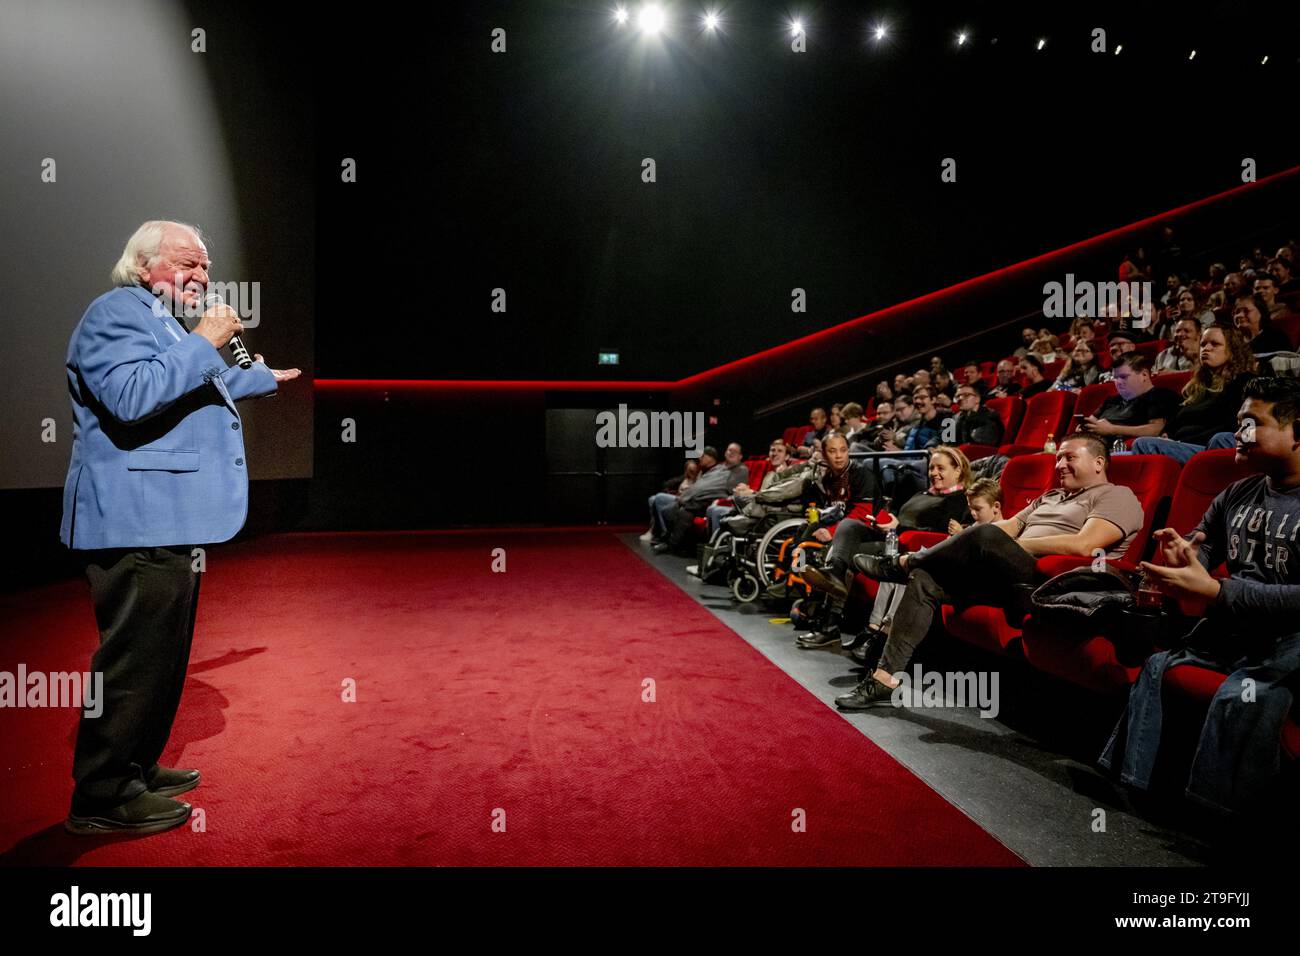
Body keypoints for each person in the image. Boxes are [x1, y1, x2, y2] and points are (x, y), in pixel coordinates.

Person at [60, 220, 300, 835]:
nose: (201, 276)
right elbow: (133, 396)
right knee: (134, 661)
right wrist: (204, 340)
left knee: (163, 658)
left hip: (170, 517)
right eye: (187, 264)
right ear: (144, 268)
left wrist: (260, 379)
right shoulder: (115, 313)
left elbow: (198, 387)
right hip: (134, 520)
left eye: (204, 266)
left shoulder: (165, 322)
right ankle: (101, 795)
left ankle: (135, 765)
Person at [1100, 377, 1300, 821]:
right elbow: (1204, 547)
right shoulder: (1240, 491)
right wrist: (1186, 554)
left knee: (1247, 696)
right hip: (1236, 625)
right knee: (1157, 667)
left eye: (1252, 423)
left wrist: (1217, 590)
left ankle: (1220, 816)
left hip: (1291, 639)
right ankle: (1137, 788)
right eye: (1238, 422)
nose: (1239, 434)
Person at [840, 433, 1144, 710]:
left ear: (1099, 462)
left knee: (982, 537)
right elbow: (1006, 527)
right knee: (926, 580)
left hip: (1051, 581)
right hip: (1007, 574)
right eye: (1058, 458)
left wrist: (1011, 542)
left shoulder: (1117, 496)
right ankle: (883, 681)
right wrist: (964, 540)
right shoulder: (1050, 497)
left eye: (1070, 457)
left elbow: (1084, 545)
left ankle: (903, 562)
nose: (1060, 465)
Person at [797, 446, 973, 648]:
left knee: (843, 553)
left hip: (909, 546)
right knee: (849, 526)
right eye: (931, 468)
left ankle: (828, 626)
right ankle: (834, 574)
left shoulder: (959, 499)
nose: (933, 473)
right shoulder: (923, 494)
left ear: (958, 470)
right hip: (892, 537)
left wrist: (899, 527)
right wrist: (884, 522)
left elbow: (938, 532)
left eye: (940, 468)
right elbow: (901, 516)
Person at [1130, 325, 1258, 465]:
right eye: (1203, 344)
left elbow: (1246, 426)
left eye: (1214, 344)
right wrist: (1168, 435)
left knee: (1220, 439)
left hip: (1218, 445)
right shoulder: (1196, 387)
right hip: (1188, 448)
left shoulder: (1245, 381)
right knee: (1142, 444)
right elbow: (1175, 422)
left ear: (1233, 350)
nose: (1206, 348)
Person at [656, 442, 746, 553]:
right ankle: (672, 541)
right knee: (667, 511)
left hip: (713, 499)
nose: (730, 452)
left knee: (686, 510)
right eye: (729, 450)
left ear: (740, 456)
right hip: (697, 497)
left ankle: (672, 546)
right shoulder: (719, 468)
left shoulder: (740, 469)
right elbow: (701, 484)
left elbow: (731, 490)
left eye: (734, 451)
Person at [1081, 354, 1181, 445]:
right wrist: (1085, 427)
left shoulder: (1159, 395)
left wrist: (1112, 429)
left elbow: (1156, 429)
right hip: (1093, 445)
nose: (1118, 382)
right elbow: (1092, 420)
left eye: (1123, 377)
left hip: (1121, 448)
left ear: (1144, 375)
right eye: (1115, 378)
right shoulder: (1111, 400)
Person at [643, 458, 701, 543]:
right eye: (689, 469)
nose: (691, 471)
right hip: (677, 497)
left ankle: (663, 532)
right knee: (652, 499)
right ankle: (654, 530)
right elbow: (668, 483)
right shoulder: (684, 478)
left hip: (685, 499)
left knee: (659, 497)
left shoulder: (698, 480)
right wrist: (669, 490)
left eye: (693, 469)